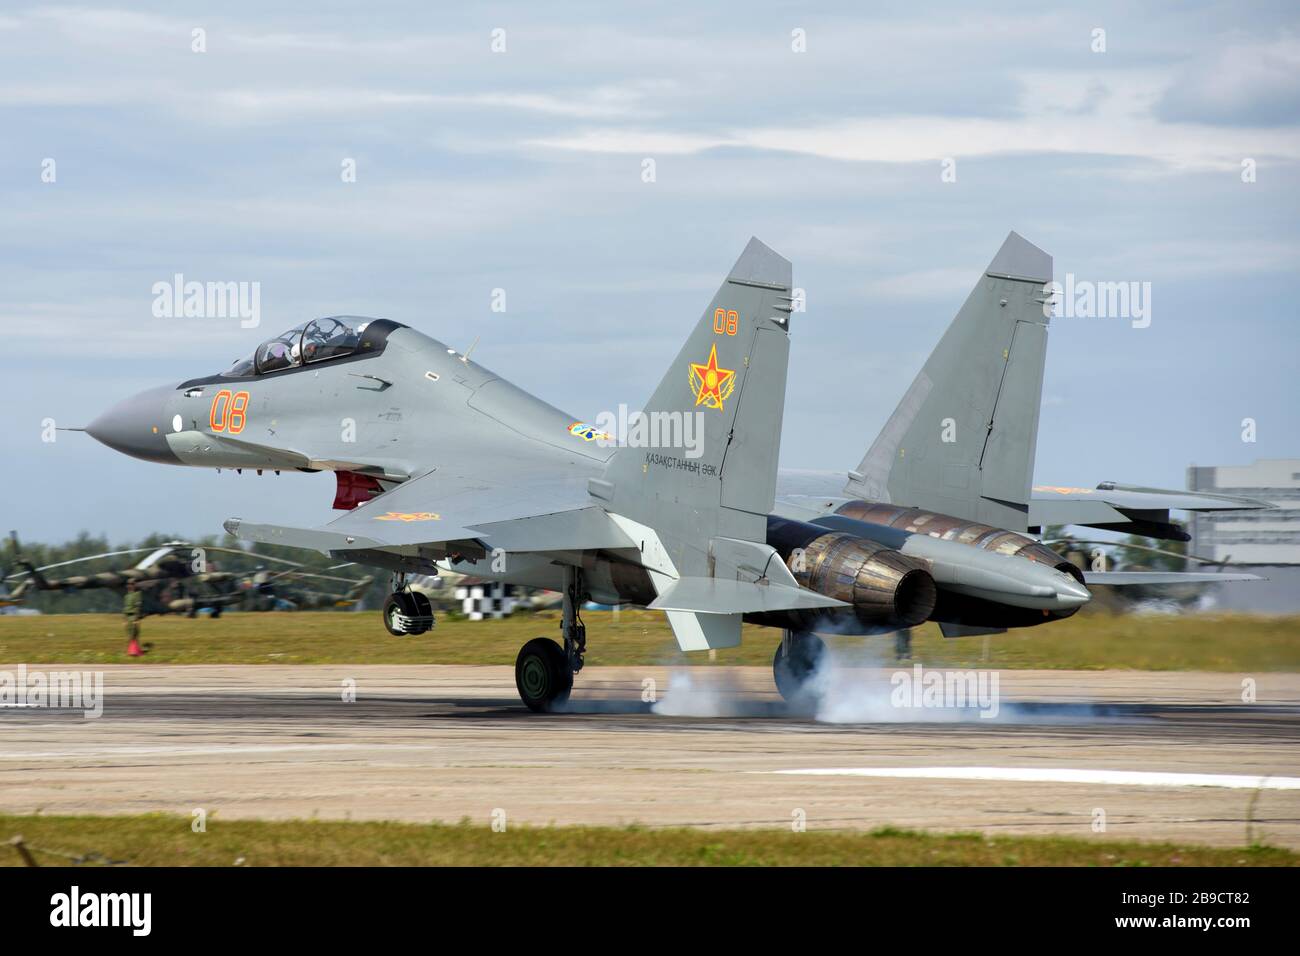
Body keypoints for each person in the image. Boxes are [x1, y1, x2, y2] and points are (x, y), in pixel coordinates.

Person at [123, 580, 147, 656]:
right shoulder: (126, 596)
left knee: (135, 634)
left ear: (135, 585)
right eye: (128, 584)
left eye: (132, 584)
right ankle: (132, 651)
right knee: (129, 634)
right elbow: (125, 608)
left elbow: (138, 607)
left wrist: (136, 618)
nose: (130, 585)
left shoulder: (137, 594)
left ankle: (135, 652)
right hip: (128, 616)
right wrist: (124, 619)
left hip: (134, 616)